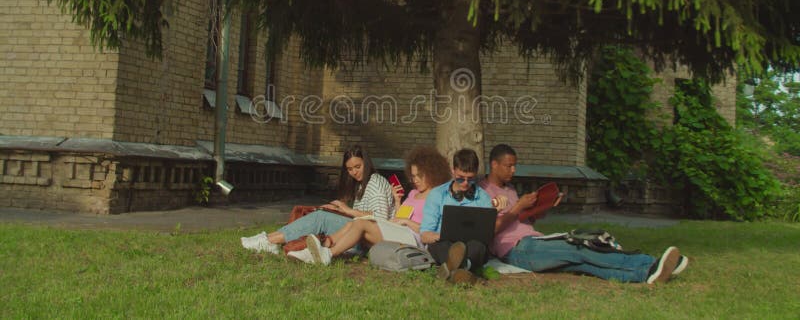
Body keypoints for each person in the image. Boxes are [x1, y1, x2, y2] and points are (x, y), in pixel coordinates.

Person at [479, 144, 689, 284]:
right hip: (517, 250)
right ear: (494, 164)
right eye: (509, 166)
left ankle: (647, 275)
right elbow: (489, 230)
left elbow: (523, 220)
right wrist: (518, 207)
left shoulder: (510, 189)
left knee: (584, 264)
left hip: (534, 241)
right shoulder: (482, 192)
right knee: (580, 247)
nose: (513, 170)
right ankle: (649, 262)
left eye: (515, 165)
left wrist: (542, 207)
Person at [289, 146, 452, 265]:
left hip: (414, 239)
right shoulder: (412, 193)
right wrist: (397, 201)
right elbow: (399, 218)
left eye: (420, 176)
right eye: (413, 175)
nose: (415, 180)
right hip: (399, 231)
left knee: (361, 223)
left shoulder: (438, 196)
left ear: (433, 172)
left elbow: (435, 232)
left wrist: (408, 223)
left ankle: (328, 254)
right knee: (354, 222)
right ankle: (322, 247)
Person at [241, 145, 394, 254]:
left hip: (369, 239)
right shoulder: (363, 184)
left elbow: (380, 218)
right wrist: (340, 211)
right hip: (360, 234)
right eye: (349, 169)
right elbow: (364, 215)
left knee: (321, 218)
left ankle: (268, 240)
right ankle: (272, 239)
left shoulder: (376, 182)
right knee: (322, 214)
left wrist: (347, 210)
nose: (354, 172)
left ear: (366, 163)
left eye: (357, 166)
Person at [420, 148, 494, 283]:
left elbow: (487, 236)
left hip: (471, 247)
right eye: (460, 179)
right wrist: (441, 236)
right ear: (453, 170)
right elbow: (425, 235)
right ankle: (464, 273)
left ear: (476, 174)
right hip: (443, 244)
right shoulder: (437, 194)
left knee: (478, 246)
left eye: (470, 179)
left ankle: (452, 269)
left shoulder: (483, 198)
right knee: (443, 245)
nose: (465, 183)